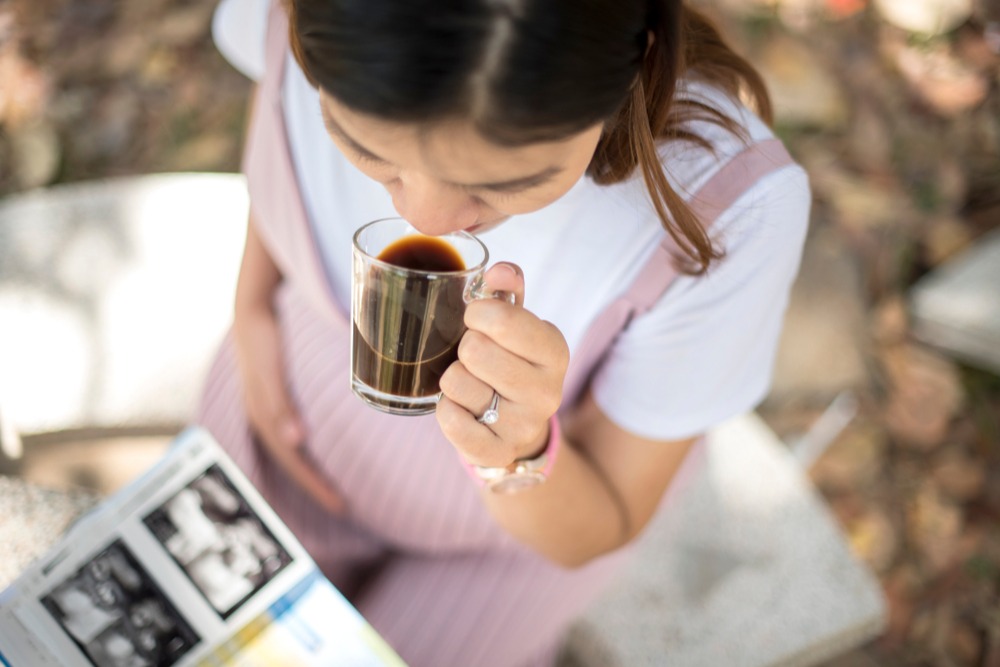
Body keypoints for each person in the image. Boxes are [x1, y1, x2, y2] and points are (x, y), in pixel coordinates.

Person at [203, 0, 811, 665]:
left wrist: (517, 447)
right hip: (275, 424)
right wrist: (253, 305)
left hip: (505, 541)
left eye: (503, 183)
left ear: (640, 58)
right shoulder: (287, 17)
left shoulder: (723, 206)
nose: (425, 217)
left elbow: (601, 518)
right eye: (367, 151)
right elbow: (276, 120)